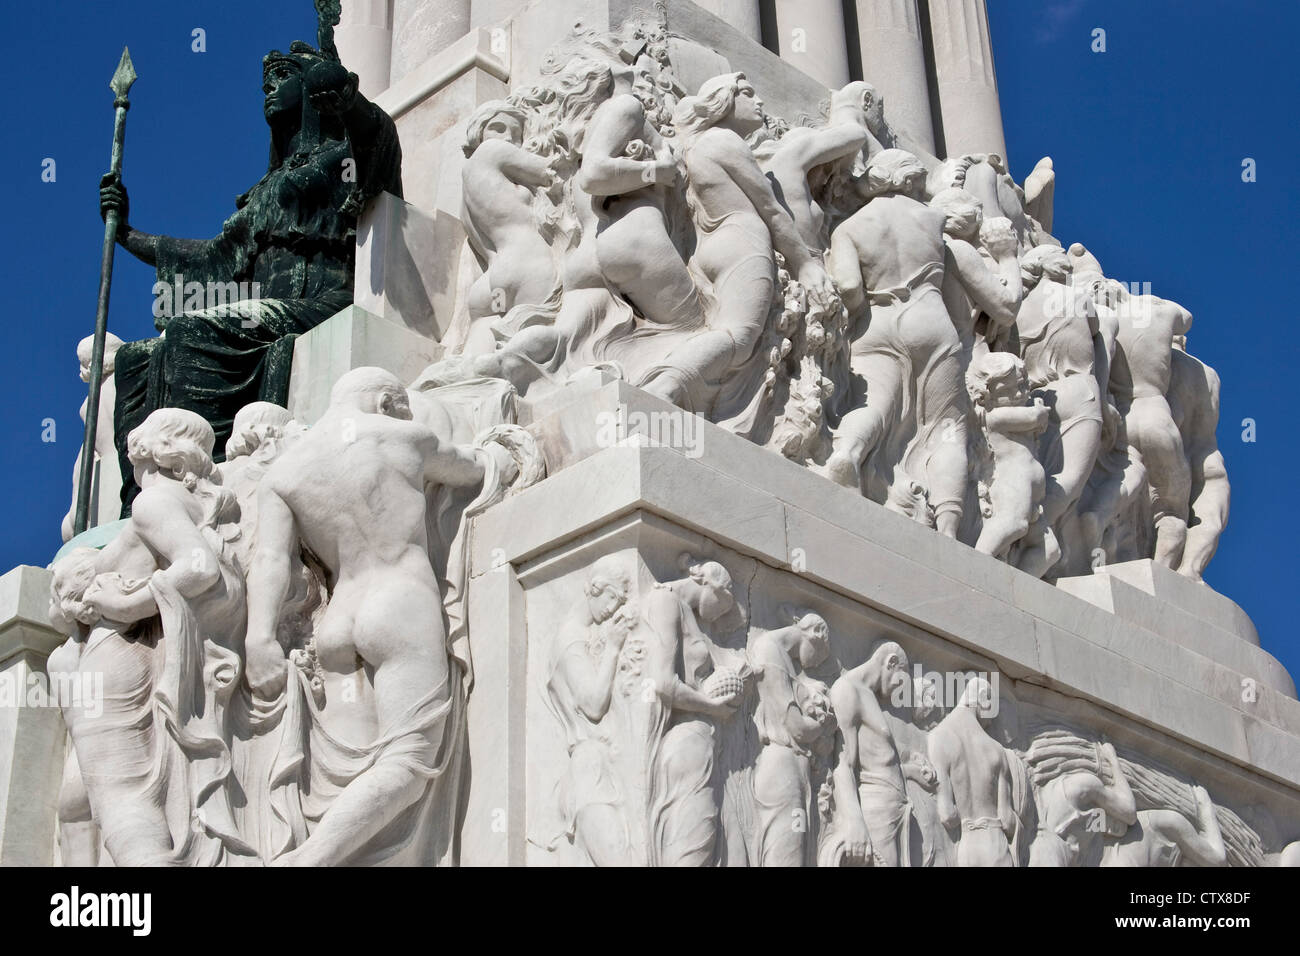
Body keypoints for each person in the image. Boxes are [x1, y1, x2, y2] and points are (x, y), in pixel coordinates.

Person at [101, 40, 402, 514]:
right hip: (262, 309)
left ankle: (195, 476)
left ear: (306, 89)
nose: (270, 90)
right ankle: (140, 498)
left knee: (189, 331)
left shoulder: (339, 154)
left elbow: (376, 143)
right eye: (266, 82)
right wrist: (128, 234)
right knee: (137, 358)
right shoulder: (263, 190)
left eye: (281, 79)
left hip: (321, 298)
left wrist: (347, 100)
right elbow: (211, 259)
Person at [243, 367, 515, 866]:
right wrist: (507, 447)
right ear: (389, 401)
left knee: (361, 771)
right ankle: (306, 862)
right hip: (398, 606)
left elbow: (270, 561)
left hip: (338, 622)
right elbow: (477, 470)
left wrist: (258, 638)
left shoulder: (285, 471)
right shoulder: (402, 435)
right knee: (408, 764)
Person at [47, 408, 249, 866]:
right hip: (133, 652)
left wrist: (124, 605)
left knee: (118, 800)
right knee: (109, 797)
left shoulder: (153, 502)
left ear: (151, 447)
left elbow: (198, 567)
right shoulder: (199, 504)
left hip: (115, 652)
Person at [542, 557, 638, 866]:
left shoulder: (583, 636)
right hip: (590, 768)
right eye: (612, 598)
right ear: (595, 589)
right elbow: (594, 704)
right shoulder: (571, 640)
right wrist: (613, 647)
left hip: (605, 765)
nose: (614, 608)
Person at [829, 640, 933, 866]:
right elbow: (843, 763)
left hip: (892, 811)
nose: (899, 689)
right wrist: (854, 821)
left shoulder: (867, 693)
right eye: (901, 680)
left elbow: (878, 762)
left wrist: (910, 772)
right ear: (891, 662)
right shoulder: (847, 690)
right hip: (875, 811)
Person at [927, 678, 1016, 866]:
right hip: (995, 844)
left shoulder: (938, 737)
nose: (991, 721)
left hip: (968, 849)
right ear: (983, 698)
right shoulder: (996, 749)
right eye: (992, 711)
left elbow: (947, 815)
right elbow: (1007, 822)